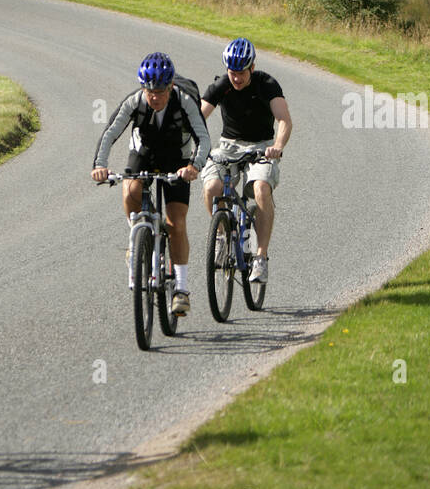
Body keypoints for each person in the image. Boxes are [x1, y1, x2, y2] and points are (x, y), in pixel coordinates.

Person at [92, 52, 210, 317]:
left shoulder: (186, 102)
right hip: (144, 152)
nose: (153, 97)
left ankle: (181, 289)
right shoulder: (135, 101)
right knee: (130, 188)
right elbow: (110, 132)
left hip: (177, 159)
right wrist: (99, 166)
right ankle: (137, 239)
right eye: (149, 91)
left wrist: (194, 167)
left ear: (170, 87)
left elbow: (204, 139)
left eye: (159, 91)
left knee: (176, 222)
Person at [199, 39, 292, 285]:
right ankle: (221, 236)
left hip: (262, 147)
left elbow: (284, 119)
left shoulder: (267, 84)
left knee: (261, 188)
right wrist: (196, 147)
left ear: (252, 68)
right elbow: (198, 118)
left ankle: (260, 257)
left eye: (241, 73)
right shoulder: (222, 85)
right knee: (211, 188)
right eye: (232, 73)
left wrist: (278, 146)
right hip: (228, 146)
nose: (236, 78)